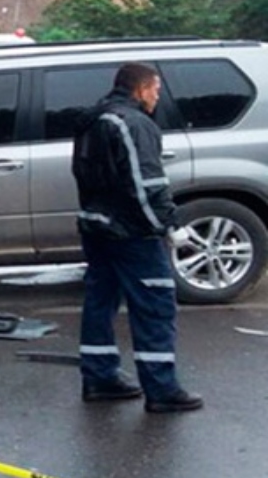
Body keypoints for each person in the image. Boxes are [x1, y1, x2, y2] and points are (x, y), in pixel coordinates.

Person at [71, 62, 203, 413]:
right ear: (141, 89)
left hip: (95, 226)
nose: (157, 96)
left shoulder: (92, 119)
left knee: (100, 301)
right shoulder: (135, 124)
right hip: (131, 233)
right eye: (155, 90)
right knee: (155, 306)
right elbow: (146, 186)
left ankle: (100, 378)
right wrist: (168, 225)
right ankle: (161, 389)